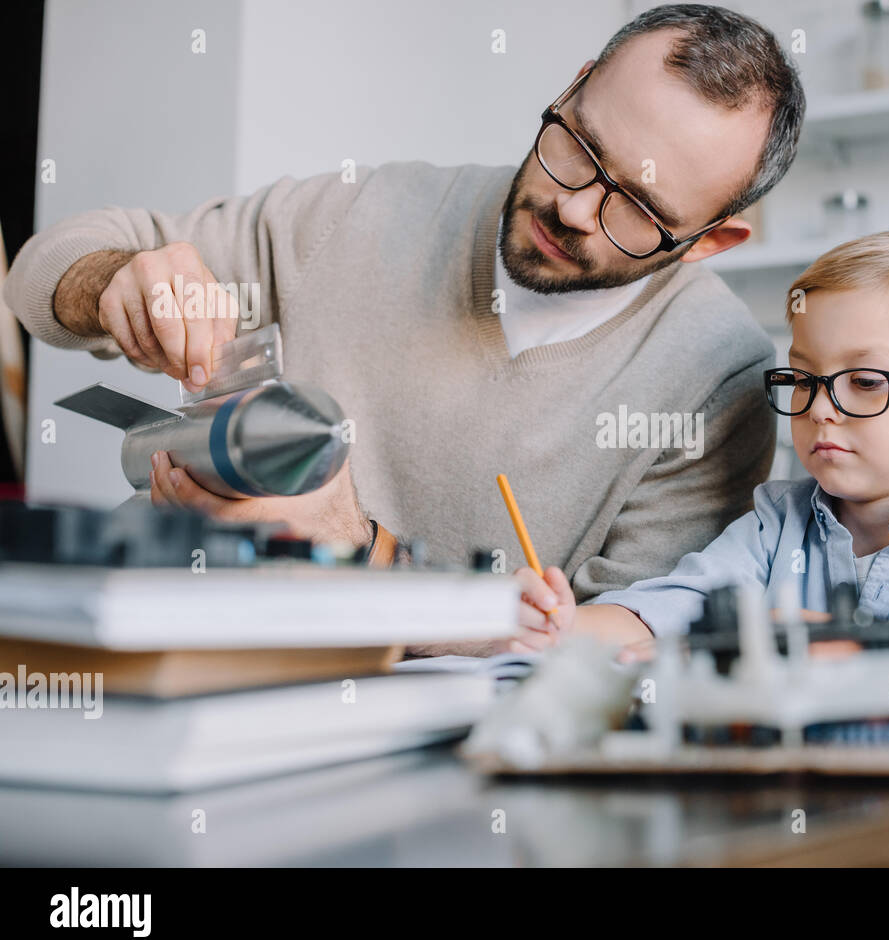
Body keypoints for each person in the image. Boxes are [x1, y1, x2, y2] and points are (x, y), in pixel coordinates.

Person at [4, 5, 804, 591]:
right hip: (177, 662)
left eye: (636, 209)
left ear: (707, 241)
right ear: (577, 83)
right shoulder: (366, 211)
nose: (574, 208)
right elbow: (41, 271)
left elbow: (606, 656)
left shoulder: (719, 381)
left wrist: (359, 550)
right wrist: (114, 280)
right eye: (582, 146)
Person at [515, 227, 889, 656]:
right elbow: (675, 609)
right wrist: (562, 623)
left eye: (864, 383)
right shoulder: (775, 523)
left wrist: (796, 637)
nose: (817, 408)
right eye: (802, 379)